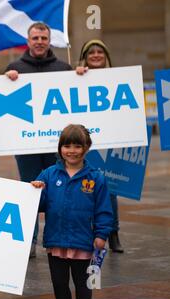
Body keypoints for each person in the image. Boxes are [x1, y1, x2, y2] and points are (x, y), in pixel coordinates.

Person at [5, 22, 72, 258]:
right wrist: (6, 79)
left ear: (49, 40)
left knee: (58, 192)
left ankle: (57, 239)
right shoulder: (15, 68)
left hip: (57, 147)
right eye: (36, 38)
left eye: (44, 38)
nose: (40, 42)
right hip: (27, 147)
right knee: (30, 192)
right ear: (28, 40)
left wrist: (82, 76)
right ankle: (29, 241)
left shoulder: (65, 68)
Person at [31, 124, 113, 299]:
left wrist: (101, 235)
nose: (72, 151)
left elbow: (103, 209)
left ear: (87, 147)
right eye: (67, 146)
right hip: (56, 243)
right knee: (60, 288)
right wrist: (36, 192)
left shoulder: (96, 178)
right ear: (60, 148)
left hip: (85, 243)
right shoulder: (48, 175)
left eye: (77, 146)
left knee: (84, 288)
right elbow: (38, 206)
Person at [76, 39, 124, 253]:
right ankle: (85, 232)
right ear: (84, 57)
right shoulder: (75, 77)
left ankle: (112, 232)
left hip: (109, 143)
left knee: (110, 189)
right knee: (82, 190)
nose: (96, 55)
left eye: (100, 52)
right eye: (91, 52)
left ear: (106, 56)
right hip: (83, 144)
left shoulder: (118, 79)